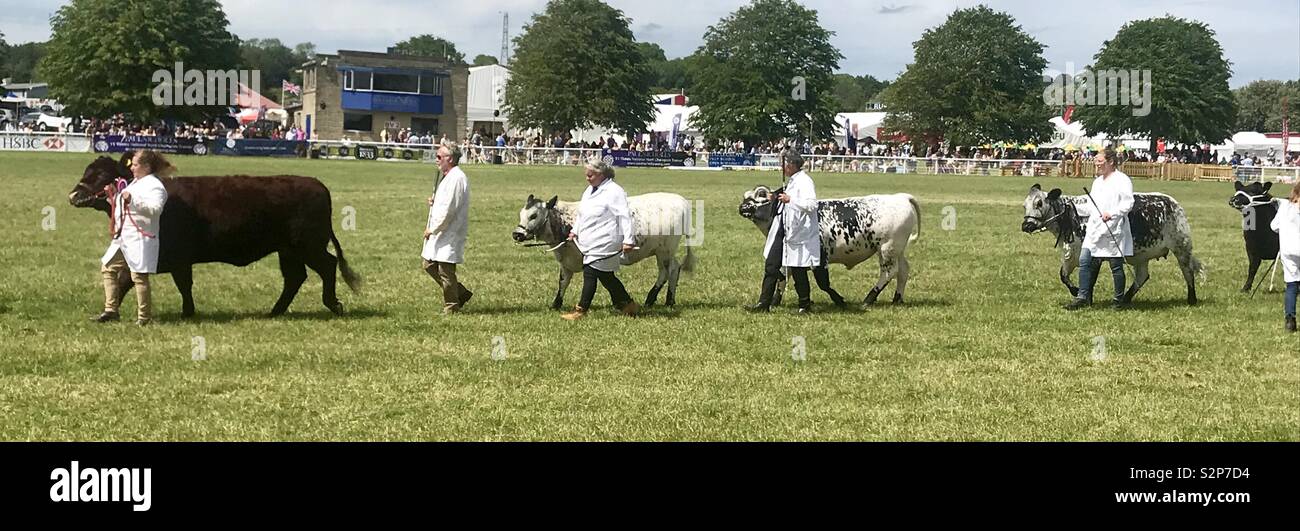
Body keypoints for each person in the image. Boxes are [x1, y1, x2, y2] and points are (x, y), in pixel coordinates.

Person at [94, 150, 171, 325]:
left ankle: (144, 318)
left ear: (146, 167)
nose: (131, 167)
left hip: (140, 238)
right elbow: (123, 204)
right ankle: (111, 310)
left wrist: (132, 200)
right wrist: (112, 197)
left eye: (135, 164)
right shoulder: (135, 183)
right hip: (124, 237)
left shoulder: (155, 186)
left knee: (139, 276)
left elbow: (155, 210)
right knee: (108, 268)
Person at [561, 161, 639, 321]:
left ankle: (580, 310)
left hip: (606, 240)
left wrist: (628, 240)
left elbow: (625, 216)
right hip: (590, 240)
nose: (587, 178)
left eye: (590, 175)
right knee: (606, 276)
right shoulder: (590, 190)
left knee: (590, 272)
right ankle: (627, 304)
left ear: (601, 175)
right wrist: (574, 231)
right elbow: (582, 213)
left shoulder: (614, 191)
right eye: (586, 175)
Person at [748, 149, 820, 313]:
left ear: (792, 165)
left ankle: (804, 305)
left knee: (798, 269)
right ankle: (763, 303)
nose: (782, 168)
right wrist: (776, 197)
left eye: (784, 164)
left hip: (797, 231)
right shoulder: (794, 181)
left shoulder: (805, 181)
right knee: (771, 266)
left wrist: (790, 200)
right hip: (783, 229)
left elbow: (811, 205)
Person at [1066, 147, 1134, 311]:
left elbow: (1128, 203)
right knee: (1084, 260)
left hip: (1113, 227)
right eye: (1095, 161)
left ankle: (1118, 300)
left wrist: (1112, 213)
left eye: (1099, 161)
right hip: (1094, 228)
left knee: (1115, 265)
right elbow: (1091, 205)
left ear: (1111, 162)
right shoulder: (1097, 182)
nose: (1096, 164)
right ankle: (1082, 296)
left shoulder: (1122, 180)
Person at [421, 143, 473, 314]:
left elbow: (449, 210)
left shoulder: (457, 178)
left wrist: (433, 229)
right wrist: (434, 201)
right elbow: (445, 202)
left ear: (449, 159)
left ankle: (452, 306)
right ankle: (461, 293)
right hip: (442, 230)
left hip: (449, 230)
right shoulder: (448, 176)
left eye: (439, 157)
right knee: (428, 264)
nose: (436, 160)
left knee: (445, 270)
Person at [1271, 185, 1300, 332]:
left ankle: (1290, 320)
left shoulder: (1284, 208)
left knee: (1292, 285)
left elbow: (1273, 226)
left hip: (1288, 250)